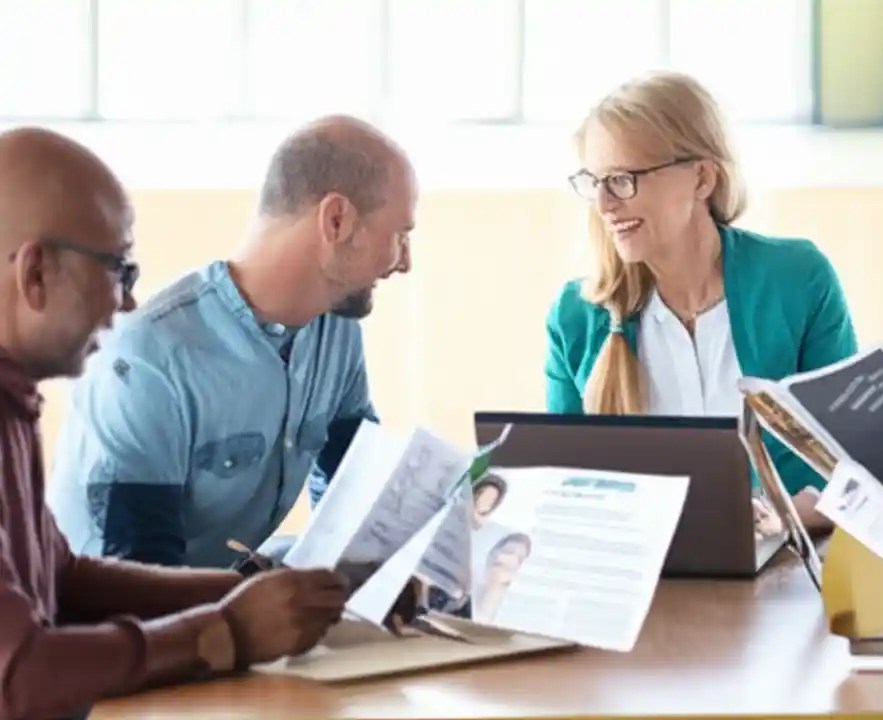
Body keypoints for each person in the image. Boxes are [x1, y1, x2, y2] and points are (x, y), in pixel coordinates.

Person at [0, 126, 350, 720]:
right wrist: (224, 633)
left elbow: (63, 579)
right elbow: (16, 680)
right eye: (120, 271)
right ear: (36, 273)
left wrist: (276, 597)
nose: (128, 303)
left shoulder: (13, 403)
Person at [47, 115, 416, 569]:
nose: (404, 262)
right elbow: (143, 573)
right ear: (336, 220)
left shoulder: (336, 333)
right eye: (400, 235)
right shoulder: (147, 358)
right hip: (117, 624)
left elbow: (352, 496)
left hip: (217, 608)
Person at [543, 71, 858, 530]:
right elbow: (562, 491)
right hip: (650, 581)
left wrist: (780, 518)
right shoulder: (576, 317)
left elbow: (852, 471)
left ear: (702, 178)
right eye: (595, 182)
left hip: (790, 568)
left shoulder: (798, 280)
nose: (606, 204)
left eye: (624, 180)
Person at [473, 532, 532, 623]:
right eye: (509, 551)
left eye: (520, 559)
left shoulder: (514, 606)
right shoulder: (470, 587)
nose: (513, 559)